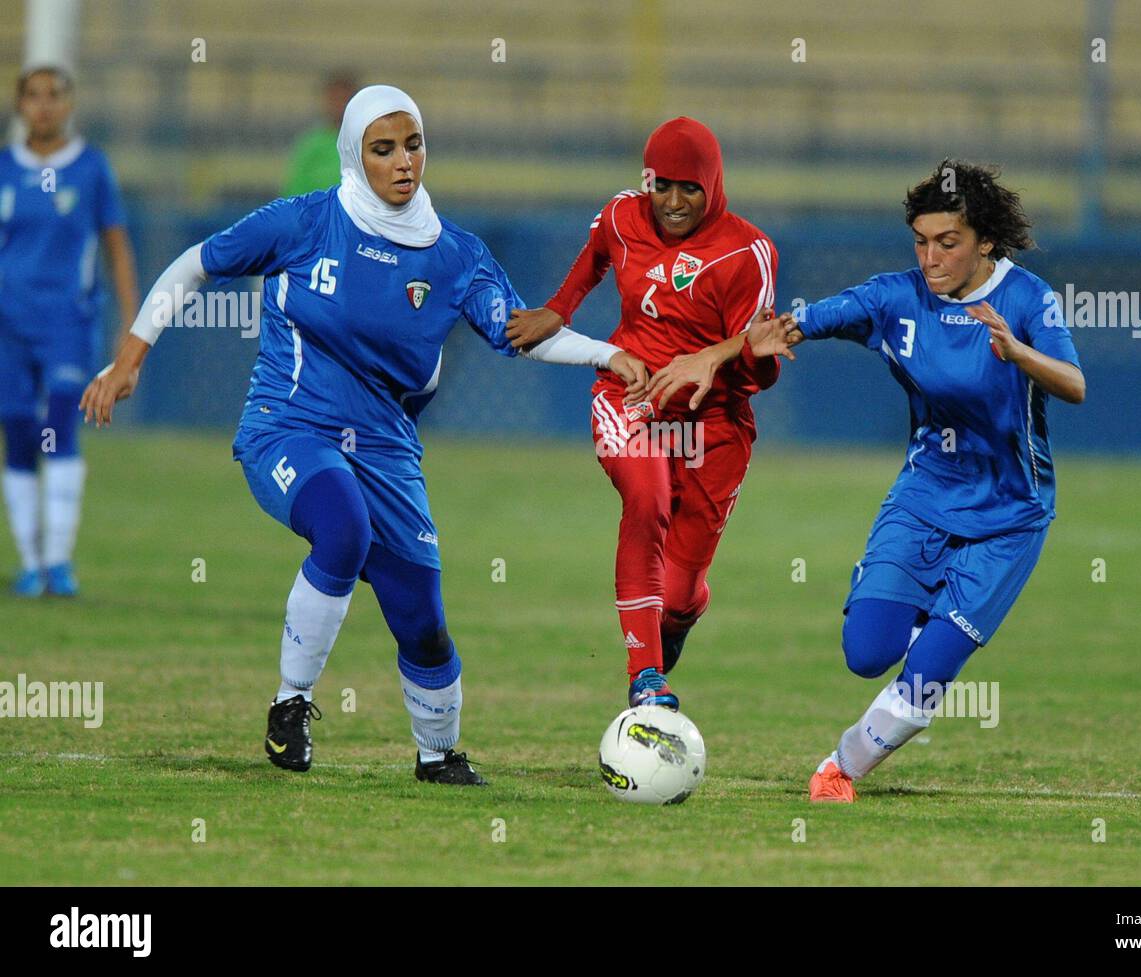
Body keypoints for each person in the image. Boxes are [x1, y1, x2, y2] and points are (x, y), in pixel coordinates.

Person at [80, 85, 648, 784]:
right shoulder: (305, 222)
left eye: (413, 144)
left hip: (386, 449)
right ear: (355, 155)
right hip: (288, 427)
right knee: (342, 527)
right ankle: (290, 706)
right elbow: (195, 263)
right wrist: (131, 357)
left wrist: (606, 353)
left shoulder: (454, 257)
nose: (404, 161)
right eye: (384, 149)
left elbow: (516, 334)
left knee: (423, 619)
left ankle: (438, 754)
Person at [783, 160, 1086, 803]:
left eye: (947, 242)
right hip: (923, 497)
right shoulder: (897, 296)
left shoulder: (1027, 298)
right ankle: (924, 623)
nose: (930, 256)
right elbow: (815, 318)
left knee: (923, 682)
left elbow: (1075, 385)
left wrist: (1020, 353)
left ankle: (839, 769)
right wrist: (758, 340)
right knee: (866, 653)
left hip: (1009, 514)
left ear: (984, 241)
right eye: (920, 241)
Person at [506, 117, 795, 711]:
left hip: (713, 425)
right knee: (648, 498)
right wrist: (558, 310)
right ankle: (646, 681)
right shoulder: (622, 215)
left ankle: (655, 664)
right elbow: (594, 256)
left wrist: (760, 363)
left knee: (682, 595)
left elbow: (757, 369)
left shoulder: (748, 251)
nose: (672, 201)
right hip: (629, 397)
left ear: (714, 185)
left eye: (689, 187)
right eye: (661, 185)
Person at [0, 65, 139, 597]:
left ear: (70, 103)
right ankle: (30, 564)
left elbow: (116, 245)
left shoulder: (89, 168)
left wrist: (130, 324)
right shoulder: (6, 168)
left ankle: (58, 560)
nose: (44, 105)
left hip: (66, 323)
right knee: (17, 433)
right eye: (34, 96)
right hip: (9, 327)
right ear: (20, 105)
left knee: (58, 423)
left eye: (55, 95)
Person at [283, 71, 357, 197]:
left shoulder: (366, 142)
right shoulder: (311, 144)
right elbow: (294, 189)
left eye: (344, 99)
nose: (340, 105)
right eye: (335, 99)